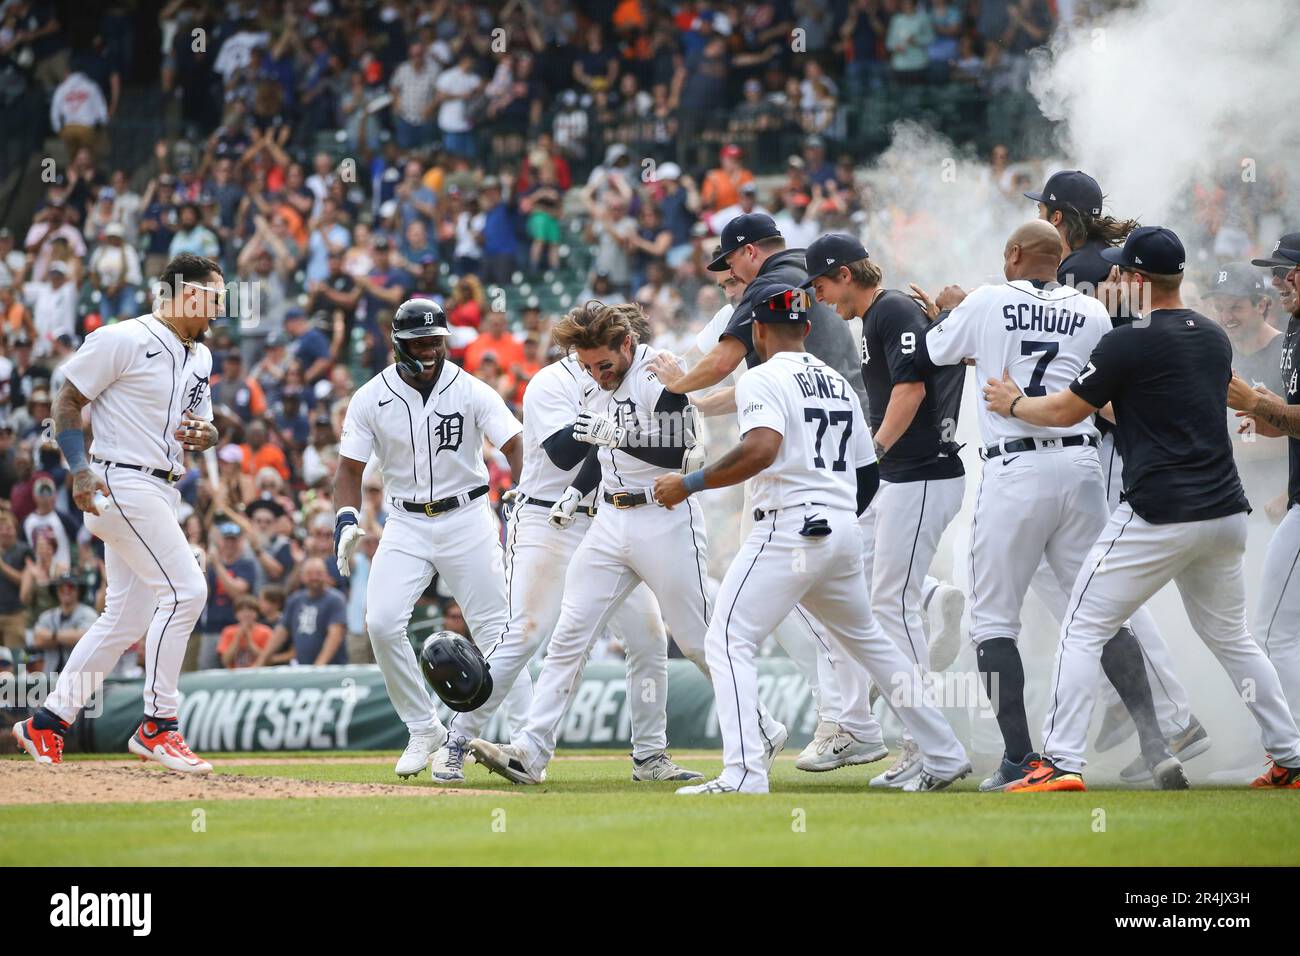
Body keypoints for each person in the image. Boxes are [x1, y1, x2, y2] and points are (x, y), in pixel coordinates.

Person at [984, 225, 1300, 791]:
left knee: (1083, 628)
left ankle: (1060, 763)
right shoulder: (1210, 336)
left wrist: (1015, 402)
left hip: (1160, 512)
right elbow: (1137, 406)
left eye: (1117, 272)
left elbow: (1064, 413)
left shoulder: (1126, 341)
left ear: (1133, 278)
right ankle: (1292, 757)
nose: (1111, 279)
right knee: (1234, 640)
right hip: (1226, 514)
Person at [653, 284, 970, 794]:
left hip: (792, 526)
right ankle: (943, 750)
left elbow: (760, 449)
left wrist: (689, 483)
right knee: (870, 641)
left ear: (756, 331)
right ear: (805, 328)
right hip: (841, 526)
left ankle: (742, 774)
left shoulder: (761, 378)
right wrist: (840, 514)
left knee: (728, 638)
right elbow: (868, 472)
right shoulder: (835, 382)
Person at [468, 302, 789, 786]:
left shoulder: (659, 371)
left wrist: (616, 434)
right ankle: (531, 752)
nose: (597, 374)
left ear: (626, 344)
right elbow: (600, 451)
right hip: (609, 520)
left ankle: (762, 728)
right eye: (587, 365)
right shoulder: (593, 380)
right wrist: (577, 492)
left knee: (697, 638)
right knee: (568, 636)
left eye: (604, 363)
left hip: (663, 515)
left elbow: (681, 448)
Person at [913, 221, 1185, 791]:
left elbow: (938, 350)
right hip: (1082, 464)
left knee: (992, 621)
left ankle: (1019, 759)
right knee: (1098, 612)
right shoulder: (1090, 311)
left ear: (1012, 254)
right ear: (1059, 261)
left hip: (1015, 464)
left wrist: (949, 311)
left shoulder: (989, 299)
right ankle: (1156, 740)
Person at [439, 304, 701, 784]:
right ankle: (456, 738)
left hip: (607, 519)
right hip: (546, 518)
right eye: (595, 362)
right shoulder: (550, 382)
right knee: (528, 632)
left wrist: (618, 439)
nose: (614, 367)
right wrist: (603, 434)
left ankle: (650, 756)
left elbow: (628, 450)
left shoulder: (629, 378)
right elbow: (562, 450)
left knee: (646, 638)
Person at [12, 253, 221, 773]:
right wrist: (78, 469)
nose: (218, 310)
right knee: (187, 591)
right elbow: (66, 402)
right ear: (188, 294)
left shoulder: (201, 357)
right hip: (119, 480)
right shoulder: (122, 337)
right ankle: (158, 726)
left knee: (125, 618)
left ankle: (47, 723)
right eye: (213, 298)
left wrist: (211, 435)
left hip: (162, 487)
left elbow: (203, 423)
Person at [332, 297, 526, 778]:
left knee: (498, 631)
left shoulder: (471, 389)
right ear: (398, 345)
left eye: (438, 341)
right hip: (406, 522)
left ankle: (525, 741)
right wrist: (345, 517)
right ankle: (424, 728)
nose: (433, 351)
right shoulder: (370, 397)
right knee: (380, 622)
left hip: (468, 517)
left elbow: (517, 443)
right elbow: (349, 468)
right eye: (421, 343)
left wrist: (523, 495)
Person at [803, 233, 968, 786]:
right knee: (887, 603)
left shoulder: (888, 308)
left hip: (922, 473)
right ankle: (921, 742)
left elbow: (912, 389)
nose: (821, 298)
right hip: (911, 476)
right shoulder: (881, 315)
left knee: (892, 607)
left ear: (846, 274)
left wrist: (871, 454)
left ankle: (925, 746)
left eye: (823, 284)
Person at [1226, 236, 1300, 734]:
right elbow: (1286, 422)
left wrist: (1257, 404)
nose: (1277, 281)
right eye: (1273, 273)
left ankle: (1290, 751)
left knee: (1273, 631)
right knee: (1276, 629)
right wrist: (1259, 407)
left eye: (1285, 271)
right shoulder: (1296, 328)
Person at [263, 557, 347, 666]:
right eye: (309, 574)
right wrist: (260, 662)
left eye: (318, 573)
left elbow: (335, 635)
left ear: (326, 575)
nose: (314, 577)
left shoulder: (335, 600)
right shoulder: (295, 600)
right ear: (302, 577)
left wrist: (319, 665)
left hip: (331, 669)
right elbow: (280, 633)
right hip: (303, 667)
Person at [28, 573, 96, 673]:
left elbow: (85, 638)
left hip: (80, 676)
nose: (66, 590)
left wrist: (52, 636)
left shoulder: (88, 613)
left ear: (79, 590)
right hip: (51, 677)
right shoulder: (47, 616)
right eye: (61, 587)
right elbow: (37, 640)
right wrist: (69, 637)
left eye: (71, 586)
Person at [218, 594, 273, 669]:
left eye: (250, 610)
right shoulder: (228, 631)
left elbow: (268, 660)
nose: (246, 614)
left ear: (257, 613)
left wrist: (250, 642)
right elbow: (225, 661)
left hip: (258, 672)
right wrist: (237, 639)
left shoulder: (265, 632)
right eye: (242, 610)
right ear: (235, 614)